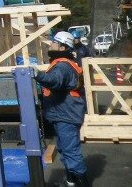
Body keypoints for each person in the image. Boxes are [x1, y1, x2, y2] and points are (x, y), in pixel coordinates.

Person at [35, 30, 88, 187]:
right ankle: (71, 181)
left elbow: (55, 81)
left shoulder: (63, 66)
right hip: (64, 113)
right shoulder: (62, 63)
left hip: (67, 115)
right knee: (65, 150)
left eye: (54, 42)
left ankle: (81, 181)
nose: (51, 44)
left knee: (70, 151)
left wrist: (37, 74)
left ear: (62, 47)